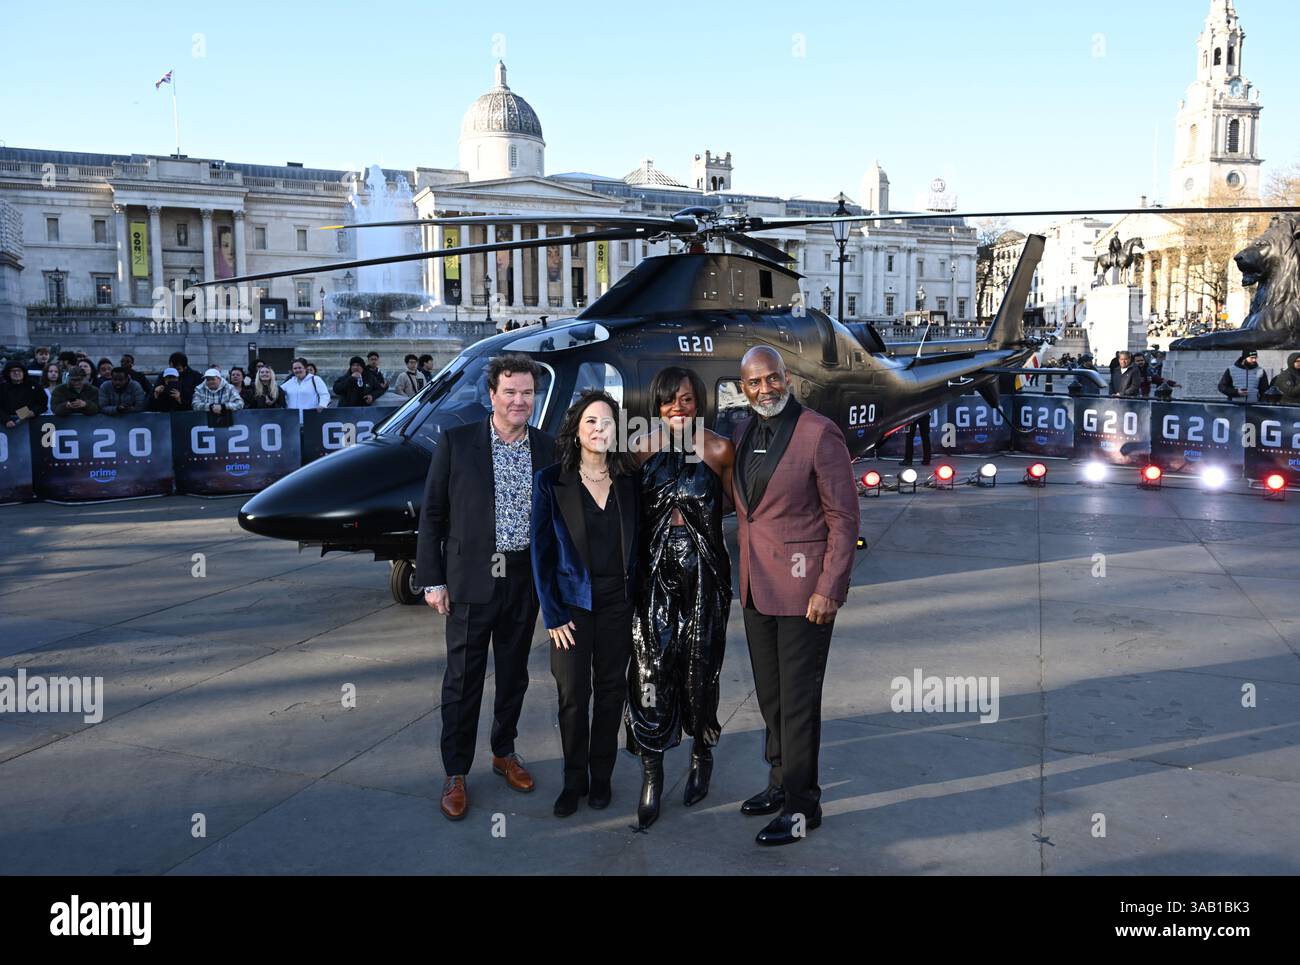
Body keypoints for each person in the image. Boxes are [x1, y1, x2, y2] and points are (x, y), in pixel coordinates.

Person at [414, 353, 557, 822]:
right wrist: (432, 580)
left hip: (523, 579)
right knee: (463, 679)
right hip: (472, 578)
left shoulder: (548, 447)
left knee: (515, 673)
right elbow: (433, 516)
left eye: (527, 393)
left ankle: (504, 751)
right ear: (491, 395)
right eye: (510, 392)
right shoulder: (456, 443)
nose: (519, 401)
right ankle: (455, 771)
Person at [732, 345, 857, 847]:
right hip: (756, 588)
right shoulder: (744, 432)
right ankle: (780, 782)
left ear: (788, 379)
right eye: (753, 383)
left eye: (772, 379)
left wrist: (830, 587)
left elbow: (844, 520)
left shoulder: (818, 433)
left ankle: (804, 806)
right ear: (743, 389)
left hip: (806, 594)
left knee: (798, 703)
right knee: (771, 698)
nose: (765, 389)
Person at [624, 366, 735, 829]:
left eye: (687, 400)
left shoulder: (718, 449)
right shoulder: (640, 448)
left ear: (700, 402)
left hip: (704, 569)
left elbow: (735, 505)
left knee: (699, 666)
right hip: (653, 570)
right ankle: (652, 772)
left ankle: (701, 752)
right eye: (669, 400)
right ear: (657, 403)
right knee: (650, 667)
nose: (678, 408)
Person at [532, 390, 639, 817]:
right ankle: (573, 780)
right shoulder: (551, 481)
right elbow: (540, 554)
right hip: (571, 610)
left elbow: (642, 548)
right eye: (592, 421)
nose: (600, 429)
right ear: (577, 429)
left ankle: (602, 778)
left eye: (608, 422)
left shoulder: (630, 481)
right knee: (573, 695)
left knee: (611, 692)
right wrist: (553, 613)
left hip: (618, 604)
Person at [2, 360, 45, 429]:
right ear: (8, 373)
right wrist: (6, 420)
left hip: (32, 425)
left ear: (23, 372)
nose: (16, 373)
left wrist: (33, 412)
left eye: (19, 370)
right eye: (13, 371)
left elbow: (42, 404)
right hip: (6, 427)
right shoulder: (2, 388)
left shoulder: (34, 385)